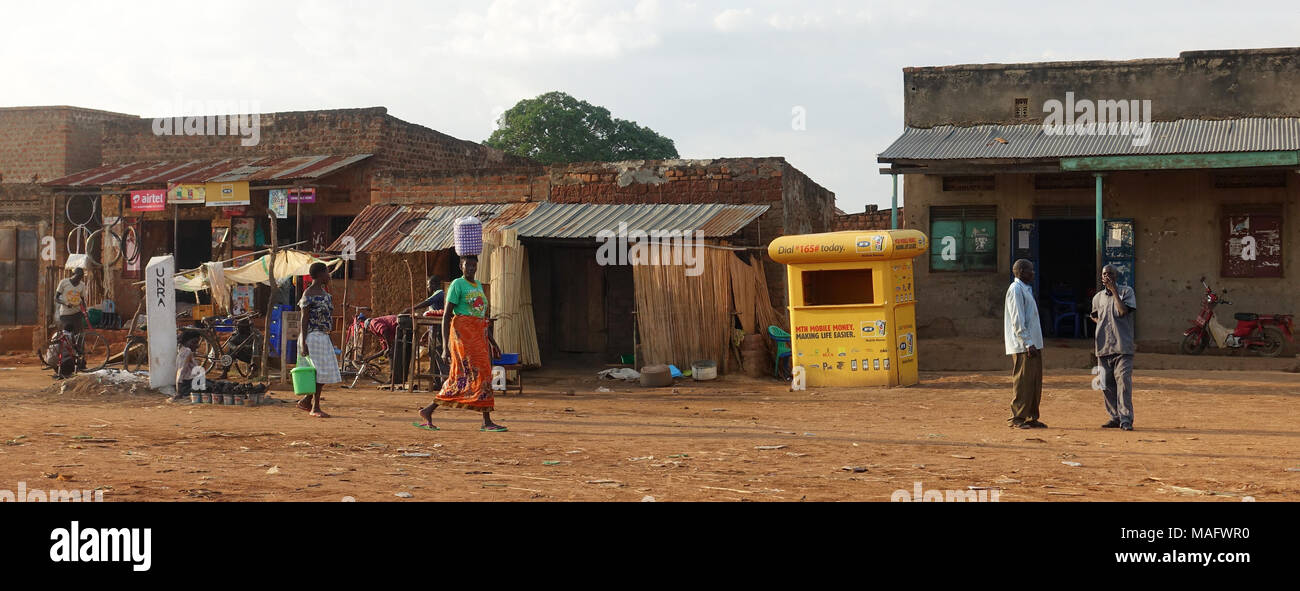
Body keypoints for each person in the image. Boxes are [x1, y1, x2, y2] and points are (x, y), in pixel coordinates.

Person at [416, 257, 506, 432]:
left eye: (474, 265)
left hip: (479, 335)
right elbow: (447, 315)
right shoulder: (457, 284)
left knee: (482, 374)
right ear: (461, 266)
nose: (471, 268)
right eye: (468, 265)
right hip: (463, 336)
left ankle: (429, 410)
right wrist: (445, 347)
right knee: (470, 374)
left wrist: (493, 343)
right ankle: (486, 421)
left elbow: (482, 318)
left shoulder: (478, 285)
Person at [1090, 264, 1137, 431]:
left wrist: (1114, 291)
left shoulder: (1126, 292)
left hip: (1122, 346)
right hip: (1103, 346)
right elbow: (1095, 316)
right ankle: (1115, 416)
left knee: (1123, 381)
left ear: (1116, 276)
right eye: (1104, 274)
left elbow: (1123, 311)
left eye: (1110, 273)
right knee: (1104, 383)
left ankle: (1126, 419)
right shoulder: (1097, 298)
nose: (1107, 276)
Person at [1004, 259, 1046, 429]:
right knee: (1023, 381)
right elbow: (1017, 319)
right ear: (1021, 271)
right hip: (1024, 345)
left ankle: (1031, 416)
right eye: (1030, 270)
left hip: (1034, 344)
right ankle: (1017, 417)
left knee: (1034, 382)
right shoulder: (1015, 290)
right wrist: (1027, 343)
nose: (1033, 273)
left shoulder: (1026, 289)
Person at [297, 262, 341, 418]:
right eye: (327, 272)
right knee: (319, 372)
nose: (329, 275)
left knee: (325, 371)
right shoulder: (308, 294)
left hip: (323, 336)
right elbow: (304, 319)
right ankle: (314, 407)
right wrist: (303, 342)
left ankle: (307, 401)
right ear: (321, 274)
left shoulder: (326, 295)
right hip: (312, 336)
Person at [55, 266, 87, 364]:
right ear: (74, 275)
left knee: (80, 337)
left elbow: (83, 300)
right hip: (65, 314)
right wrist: (65, 303)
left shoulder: (82, 285)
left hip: (77, 313)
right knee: (68, 336)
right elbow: (56, 298)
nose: (79, 279)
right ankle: (66, 359)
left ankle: (81, 361)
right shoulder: (63, 282)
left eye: (81, 277)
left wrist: (85, 311)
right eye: (78, 276)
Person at [175, 329, 203, 402]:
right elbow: (181, 371)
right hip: (189, 385)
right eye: (194, 342)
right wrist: (179, 392)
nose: (197, 346)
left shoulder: (183, 350)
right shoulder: (187, 351)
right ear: (186, 341)